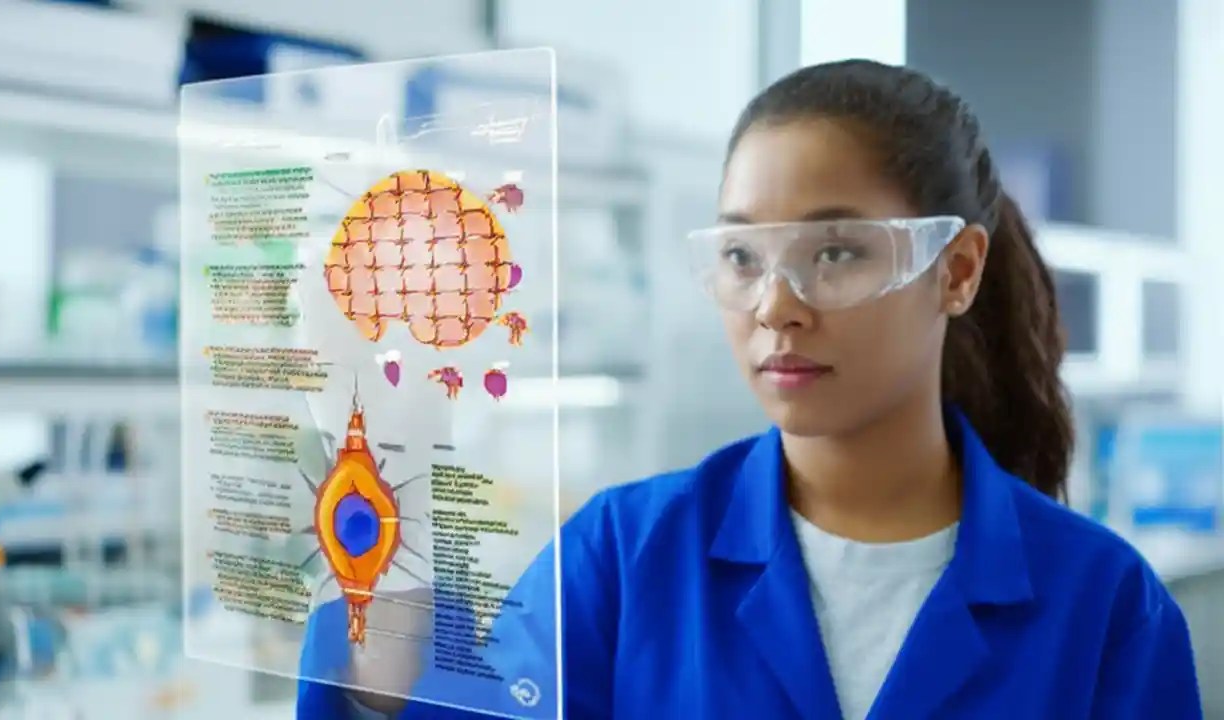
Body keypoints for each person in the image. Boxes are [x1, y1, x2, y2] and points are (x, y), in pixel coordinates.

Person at [296, 60, 1203, 719]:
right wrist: (390, 447)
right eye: (741, 255)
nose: (777, 306)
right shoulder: (623, 560)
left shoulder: (1104, 606)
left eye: (836, 252)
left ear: (956, 270)